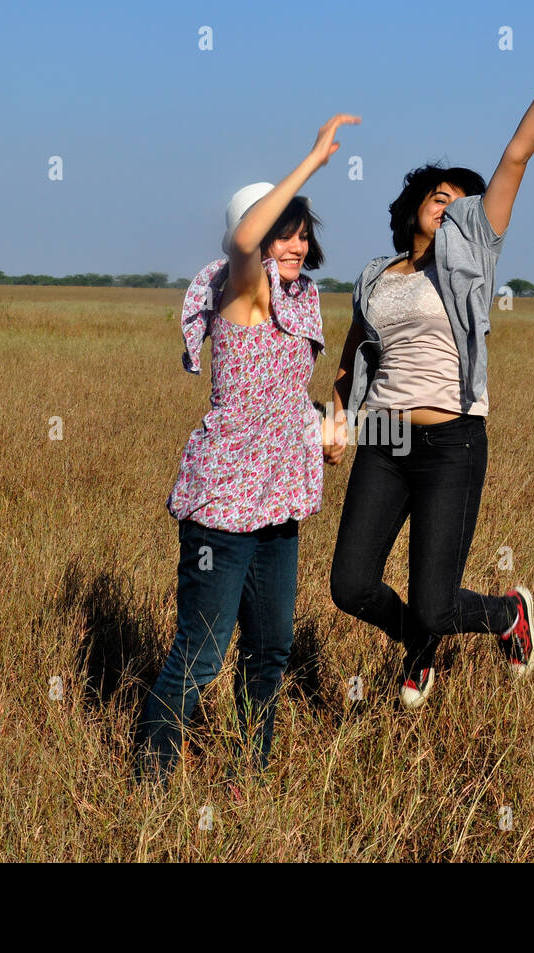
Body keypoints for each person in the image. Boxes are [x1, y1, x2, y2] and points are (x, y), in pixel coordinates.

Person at [327, 5, 534, 708]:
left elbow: (514, 156)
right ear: (413, 202)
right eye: (435, 195)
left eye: (456, 201)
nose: (445, 204)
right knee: (349, 585)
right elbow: (355, 355)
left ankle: (506, 614)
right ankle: (419, 646)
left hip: (451, 439)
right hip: (383, 438)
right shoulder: (375, 275)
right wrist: (335, 415)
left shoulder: (472, 253)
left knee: (439, 601)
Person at [137, 114, 360, 782]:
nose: (295, 244)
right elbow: (243, 237)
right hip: (225, 505)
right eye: (283, 232)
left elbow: (290, 394)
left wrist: (328, 421)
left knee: (270, 651)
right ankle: (152, 780)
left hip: (280, 500)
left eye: (301, 233)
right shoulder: (242, 292)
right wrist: (315, 159)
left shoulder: (302, 300)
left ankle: (251, 774)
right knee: (202, 656)